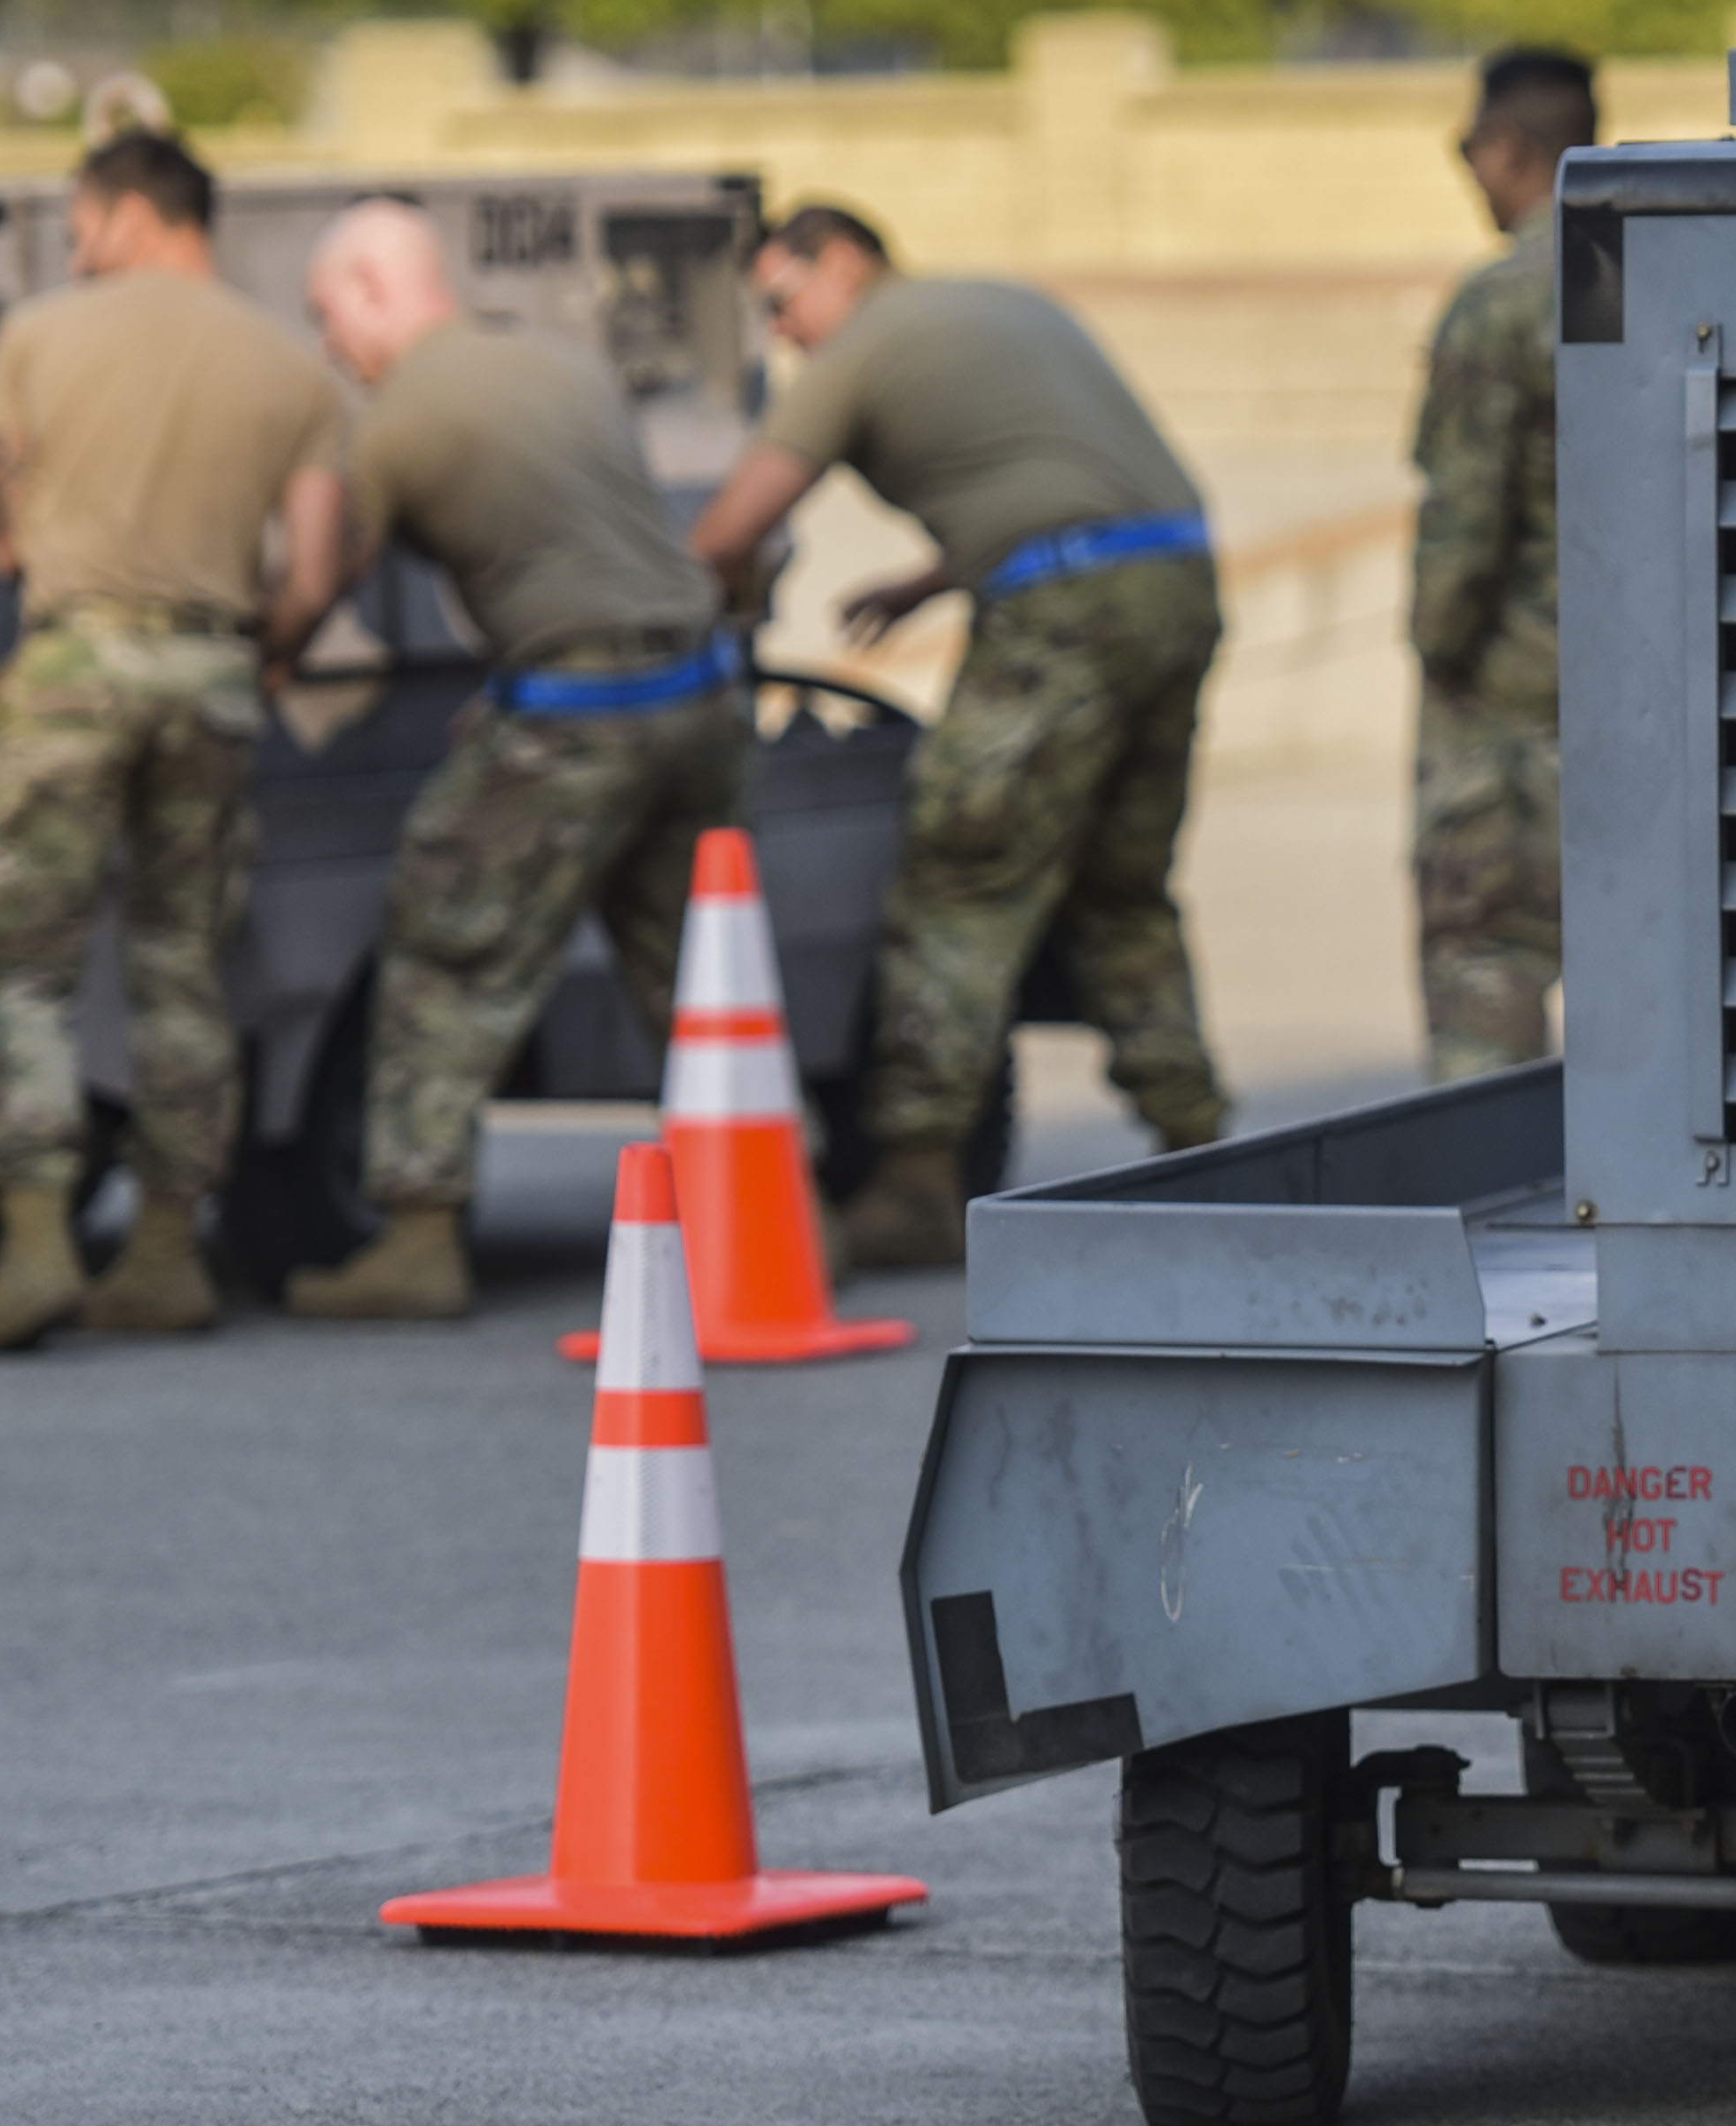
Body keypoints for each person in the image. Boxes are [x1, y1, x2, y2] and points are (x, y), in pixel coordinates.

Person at [686, 205, 1231, 1268]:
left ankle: (916, 1181)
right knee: (1121, 889)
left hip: (1061, 612)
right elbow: (1062, 473)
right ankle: (1201, 1140)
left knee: (960, 882)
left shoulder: (862, 346)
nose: (784, 333)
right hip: (1175, 584)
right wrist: (932, 576)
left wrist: (686, 622)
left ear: (842, 262)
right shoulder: (994, 301)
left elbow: (726, 533)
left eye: (782, 302)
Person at [281, 202, 750, 1321]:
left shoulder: (394, 422)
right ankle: (776, 1208)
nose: (328, 345)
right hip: (695, 692)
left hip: (576, 712)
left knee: (448, 948)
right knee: (702, 978)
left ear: (374, 289)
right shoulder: (562, 365)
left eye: (326, 315)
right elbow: (582, 541)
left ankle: (417, 1233)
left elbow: (321, 581)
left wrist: (263, 657)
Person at [0, 128, 346, 1354]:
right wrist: (260, 644)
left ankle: (32, 1244)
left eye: (80, 224)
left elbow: (1, 515)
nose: (75, 248)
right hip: (214, 671)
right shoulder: (293, 368)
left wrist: (35, 563)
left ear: (128, 215)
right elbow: (318, 567)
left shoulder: (37, 335)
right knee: (182, 961)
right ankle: (170, 1251)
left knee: (24, 960)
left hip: (77, 660)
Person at [1409, 47, 1591, 1083]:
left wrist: (1436, 648)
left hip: (1508, 698)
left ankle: (1486, 1200)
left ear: (1507, 147)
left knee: (1484, 956)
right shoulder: (1665, 272)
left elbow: (1461, 524)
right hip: (1661, 687)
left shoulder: (1501, 299)